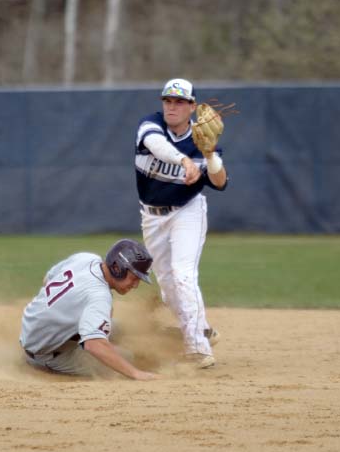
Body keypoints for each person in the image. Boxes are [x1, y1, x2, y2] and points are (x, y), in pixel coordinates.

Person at [133, 78, 228, 369]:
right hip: (152, 215)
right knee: (168, 289)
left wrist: (210, 155)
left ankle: (197, 348)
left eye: (179, 102)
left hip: (187, 211)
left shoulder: (203, 143)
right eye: (168, 101)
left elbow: (220, 182)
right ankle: (202, 328)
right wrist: (185, 162)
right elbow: (158, 147)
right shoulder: (151, 125)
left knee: (183, 274)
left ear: (191, 107)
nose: (171, 106)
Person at [19, 238, 160, 380]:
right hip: (45, 352)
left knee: (115, 328)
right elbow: (93, 344)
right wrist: (136, 373)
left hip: (31, 328)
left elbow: (47, 279)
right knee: (127, 359)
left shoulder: (85, 258)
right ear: (118, 268)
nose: (135, 285)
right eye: (134, 278)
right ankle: (44, 361)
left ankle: (75, 336)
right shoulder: (99, 295)